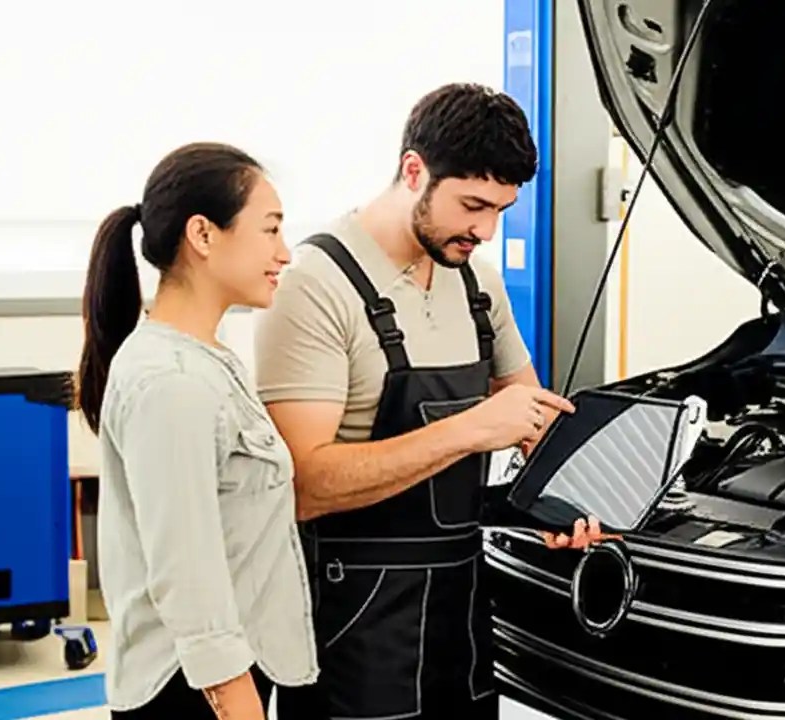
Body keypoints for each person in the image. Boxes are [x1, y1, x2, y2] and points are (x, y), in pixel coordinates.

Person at [254, 82, 605, 719]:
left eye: (501, 210)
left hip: (462, 613)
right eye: (473, 205)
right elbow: (304, 485)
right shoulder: (315, 284)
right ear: (414, 171)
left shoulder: (477, 284)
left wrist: (566, 502)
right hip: (354, 625)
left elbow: (530, 418)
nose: (486, 230)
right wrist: (471, 429)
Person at [75, 142, 318, 719]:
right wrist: (239, 707)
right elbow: (187, 576)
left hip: (226, 674)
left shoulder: (206, 359)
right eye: (270, 229)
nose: (284, 253)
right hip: (192, 690)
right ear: (203, 235)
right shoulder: (172, 382)